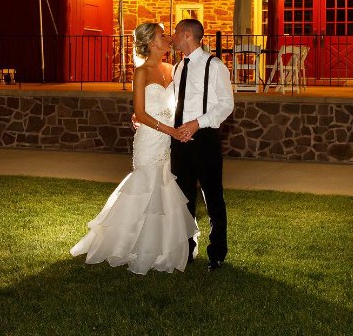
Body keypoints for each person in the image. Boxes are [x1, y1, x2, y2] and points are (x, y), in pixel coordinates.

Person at [71, 23, 196, 275]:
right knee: (144, 188)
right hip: (150, 139)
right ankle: (123, 243)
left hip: (168, 140)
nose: (169, 38)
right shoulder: (141, 72)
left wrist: (180, 128)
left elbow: (176, 103)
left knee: (164, 189)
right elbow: (141, 112)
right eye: (163, 35)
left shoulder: (172, 69)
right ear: (151, 42)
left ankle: (161, 247)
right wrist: (169, 130)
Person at [169, 18, 234, 270]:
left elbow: (226, 104)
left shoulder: (214, 66)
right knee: (183, 197)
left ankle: (217, 253)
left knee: (213, 197)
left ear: (186, 34)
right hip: (179, 141)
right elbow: (174, 103)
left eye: (175, 32)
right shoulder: (177, 68)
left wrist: (197, 123)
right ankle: (186, 249)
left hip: (204, 138)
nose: (172, 37)